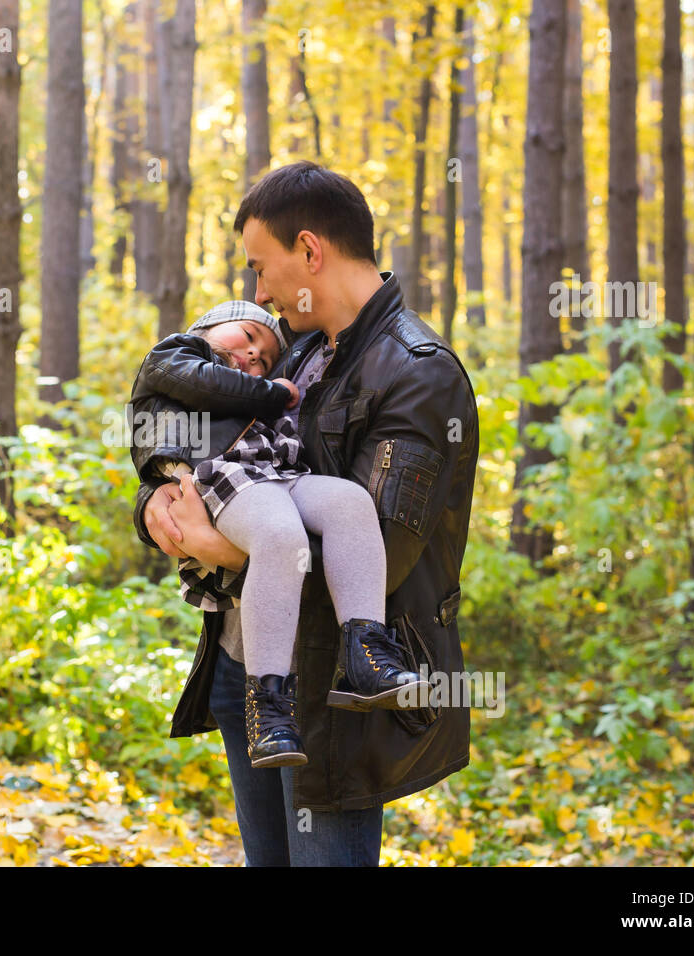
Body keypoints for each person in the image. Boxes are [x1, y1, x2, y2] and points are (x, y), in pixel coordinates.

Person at [132, 161, 479, 867]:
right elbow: (195, 438)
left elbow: (381, 551)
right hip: (242, 667)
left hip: (330, 697)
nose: (256, 293)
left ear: (311, 253)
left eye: (263, 268)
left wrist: (224, 545)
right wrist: (155, 503)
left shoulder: (417, 372)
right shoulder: (287, 347)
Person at [127, 300, 427, 770]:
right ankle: (268, 706)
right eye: (246, 336)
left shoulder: (257, 385)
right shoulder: (173, 355)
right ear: (209, 325)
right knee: (281, 535)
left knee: (350, 504)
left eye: (265, 357)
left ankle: (366, 649)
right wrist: (271, 389)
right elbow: (205, 384)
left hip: (274, 474)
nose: (251, 355)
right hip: (217, 475)